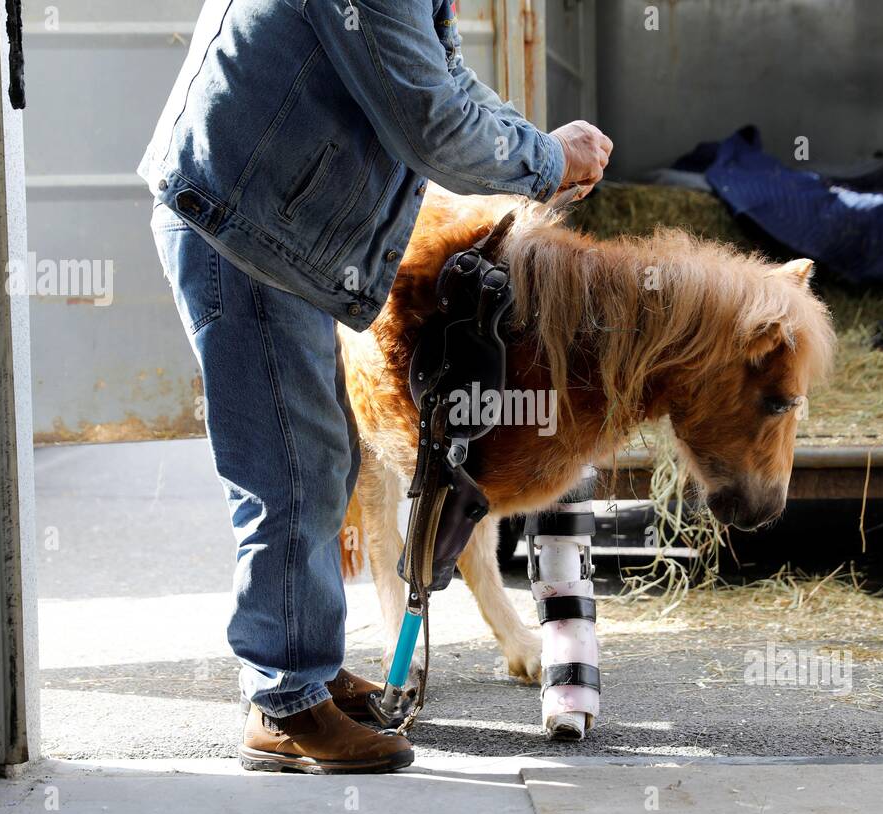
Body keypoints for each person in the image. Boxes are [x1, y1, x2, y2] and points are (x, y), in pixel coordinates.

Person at [139, 0, 612, 773]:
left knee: (320, 464)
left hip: (274, 221)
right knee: (288, 475)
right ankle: (284, 702)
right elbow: (430, 121)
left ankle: (308, 668)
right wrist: (547, 160)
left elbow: (445, 80)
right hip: (244, 221)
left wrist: (536, 151)